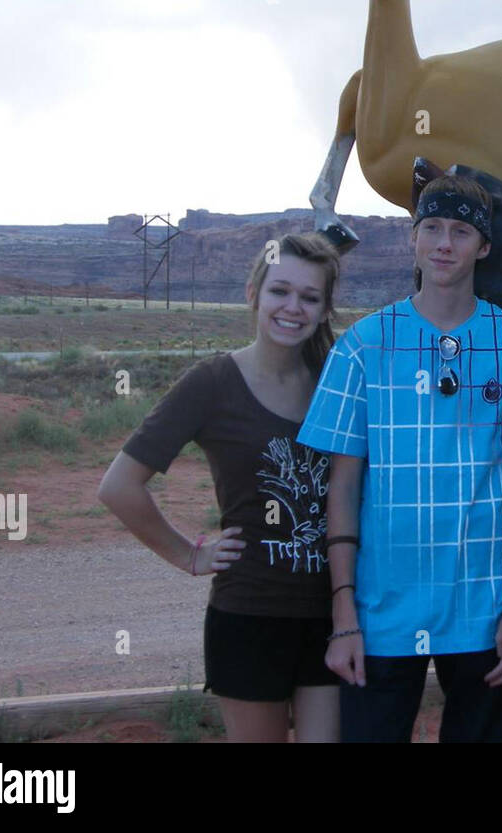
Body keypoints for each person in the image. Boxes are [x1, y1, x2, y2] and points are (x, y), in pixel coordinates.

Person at [297, 174, 502, 743]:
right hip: (382, 612)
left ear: (484, 247)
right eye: (432, 227)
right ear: (412, 239)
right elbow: (341, 489)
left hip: (487, 614)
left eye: (461, 231)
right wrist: (344, 618)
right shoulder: (363, 346)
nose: (444, 243)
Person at [98, 232, 344, 742]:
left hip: (334, 615)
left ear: (324, 310)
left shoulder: (336, 380)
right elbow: (120, 486)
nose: (292, 307)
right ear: (253, 294)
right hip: (249, 614)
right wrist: (189, 554)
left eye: (309, 297)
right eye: (280, 291)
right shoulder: (211, 383)